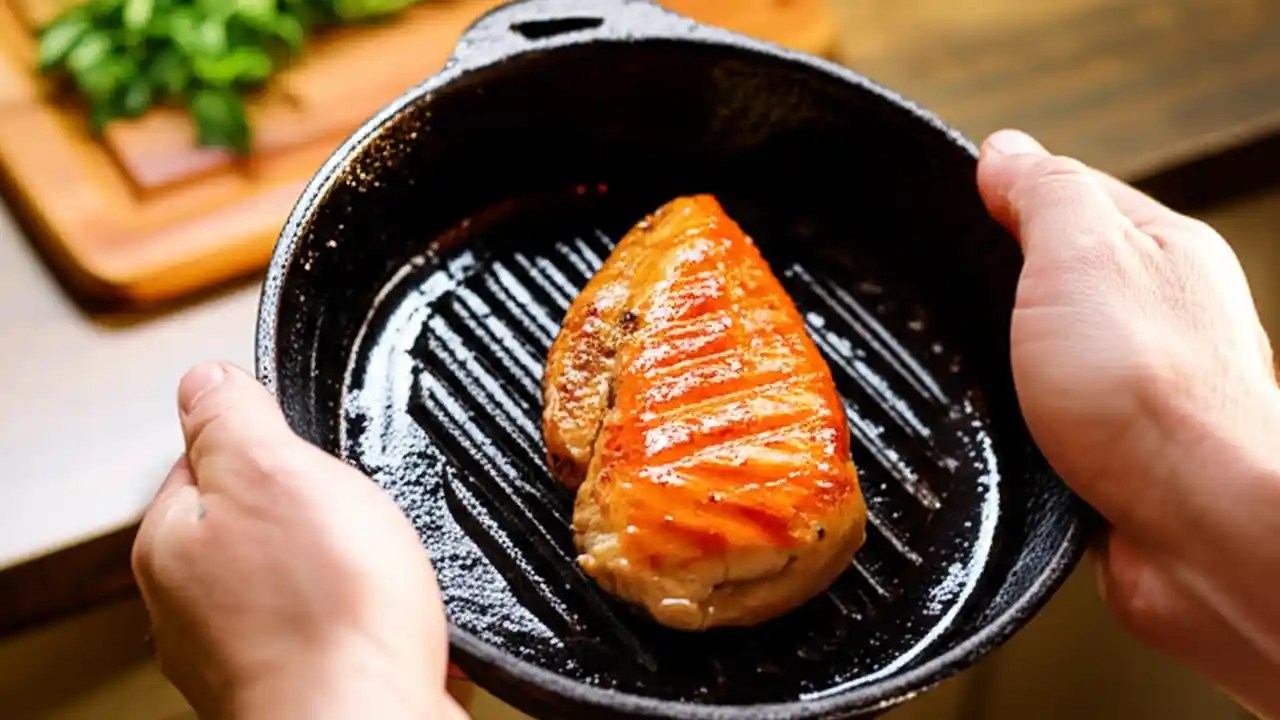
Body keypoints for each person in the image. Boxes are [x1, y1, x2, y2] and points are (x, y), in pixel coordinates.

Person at [130, 129, 1280, 720]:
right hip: (774, 510)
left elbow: (580, 400)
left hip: (708, 517)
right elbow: (583, 404)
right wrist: (1187, 451)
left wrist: (322, 682)